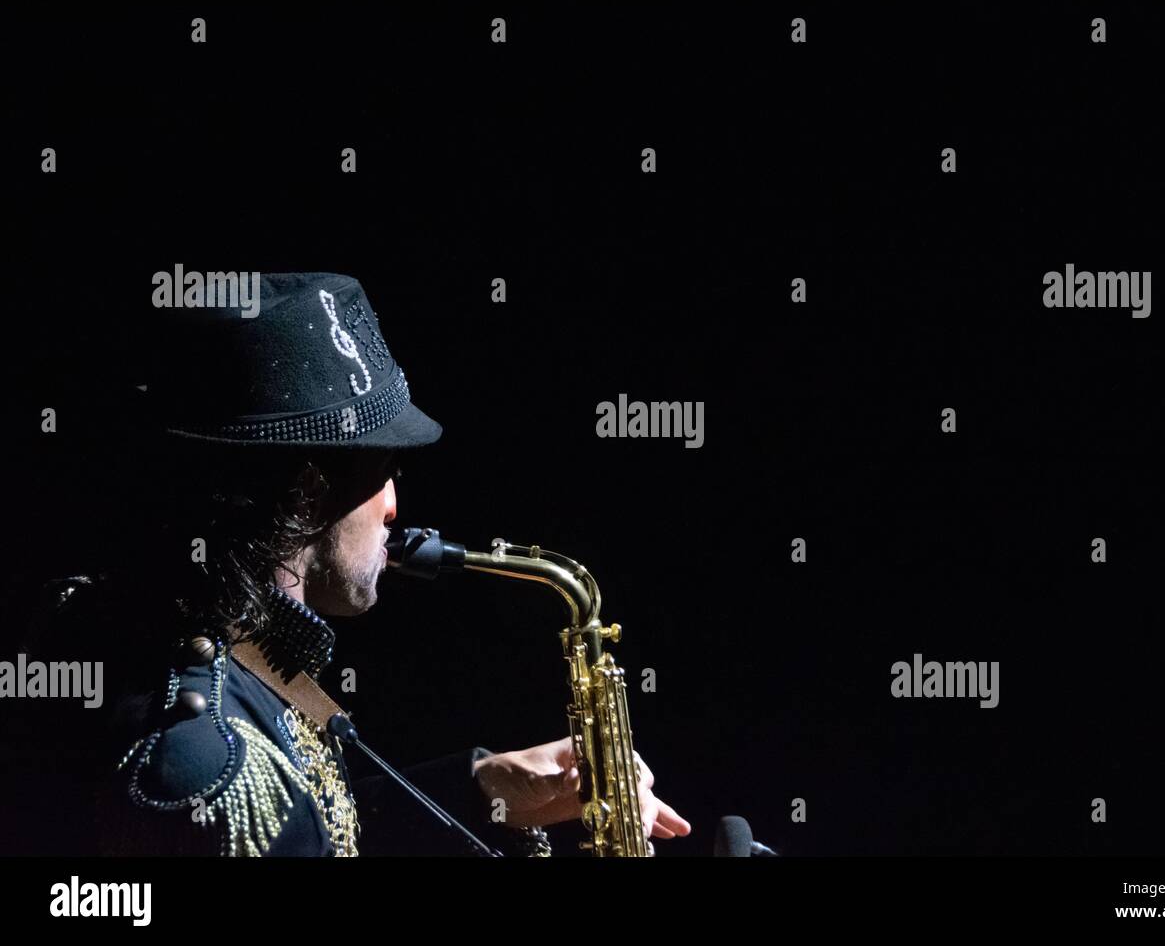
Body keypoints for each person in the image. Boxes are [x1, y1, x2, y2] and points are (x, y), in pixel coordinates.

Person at [4, 273, 689, 856]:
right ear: (305, 486)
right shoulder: (208, 766)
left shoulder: (233, 656)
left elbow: (310, 828)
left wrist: (483, 785)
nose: (394, 505)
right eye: (382, 469)